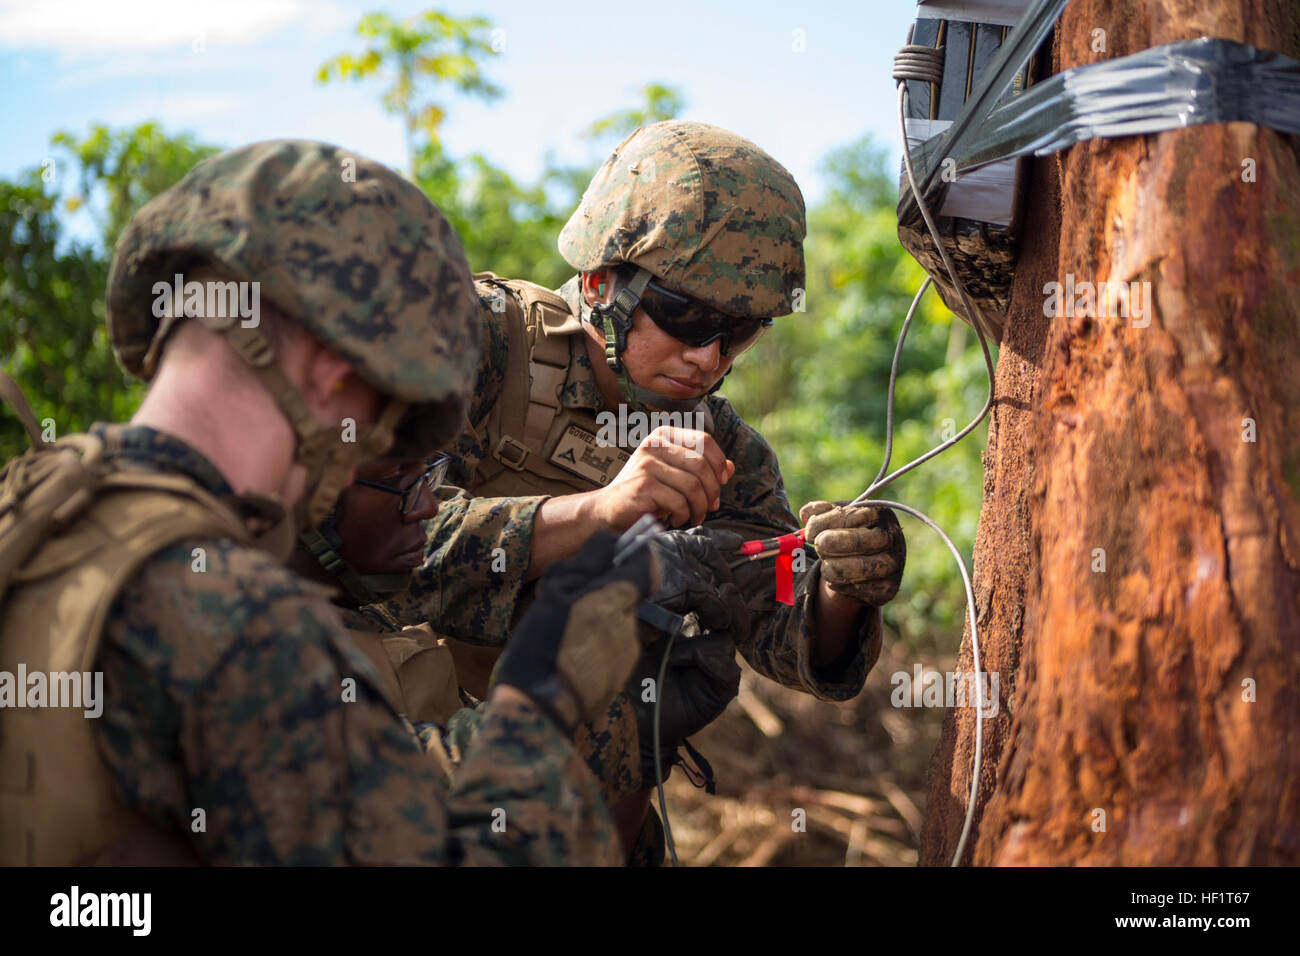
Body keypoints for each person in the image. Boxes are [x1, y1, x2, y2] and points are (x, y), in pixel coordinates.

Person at [0, 139, 654, 866]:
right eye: (385, 427)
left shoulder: (31, 508)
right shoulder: (224, 614)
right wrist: (543, 701)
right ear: (335, 376)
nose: (365, 463)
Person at [381, 121, 908, 859]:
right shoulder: (477, 345)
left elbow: (781, 621)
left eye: (738, 332)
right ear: (603, 281)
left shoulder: (721, 451)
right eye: (686, 315)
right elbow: (359, 548)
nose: (707, 357)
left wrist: (844, 592)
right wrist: (595, 516)